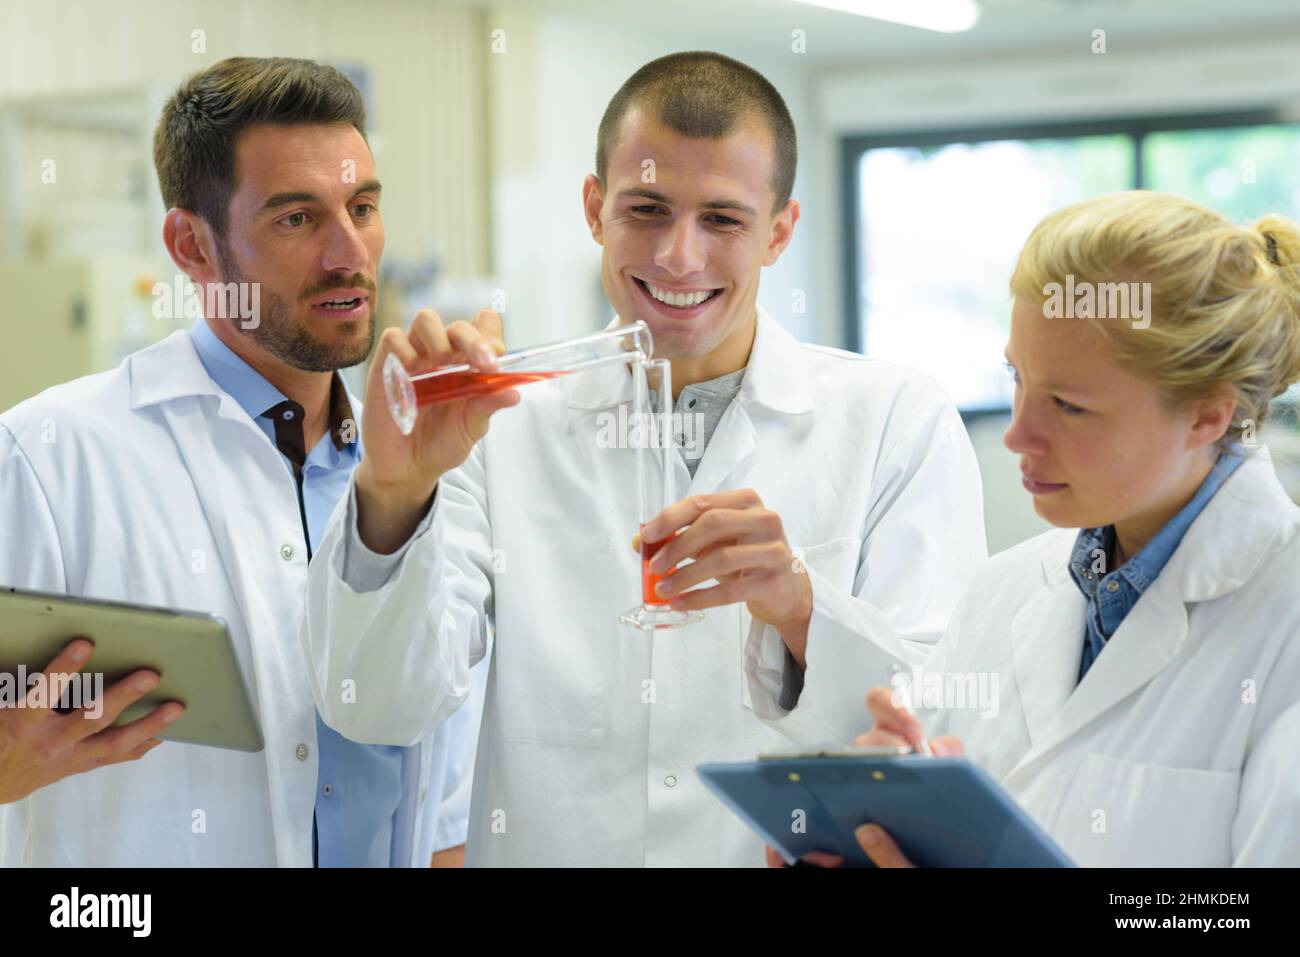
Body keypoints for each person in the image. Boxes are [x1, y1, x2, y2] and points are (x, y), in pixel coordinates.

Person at [300, 51, 987, 866]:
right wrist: (393, 489)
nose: (678, 257)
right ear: (595, 208)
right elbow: (377, 707)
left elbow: (940, 724)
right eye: (648, 209)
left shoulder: (895, 421)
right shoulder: (499, 427)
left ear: (780, 231)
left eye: (723, 220)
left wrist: (800, 606)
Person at [0, 56, 482, 867]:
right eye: (297, 219)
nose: (349, 253)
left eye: (362, 207)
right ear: (192, 244)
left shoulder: (430, 469)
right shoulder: (47, 459)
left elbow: (442, 796)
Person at [782, 191, 1300, 867]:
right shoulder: (1003, 590)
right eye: (1017, 378)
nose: (1018, 433)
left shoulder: (1282, 616)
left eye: (1069, 405)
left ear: (1206, 414)